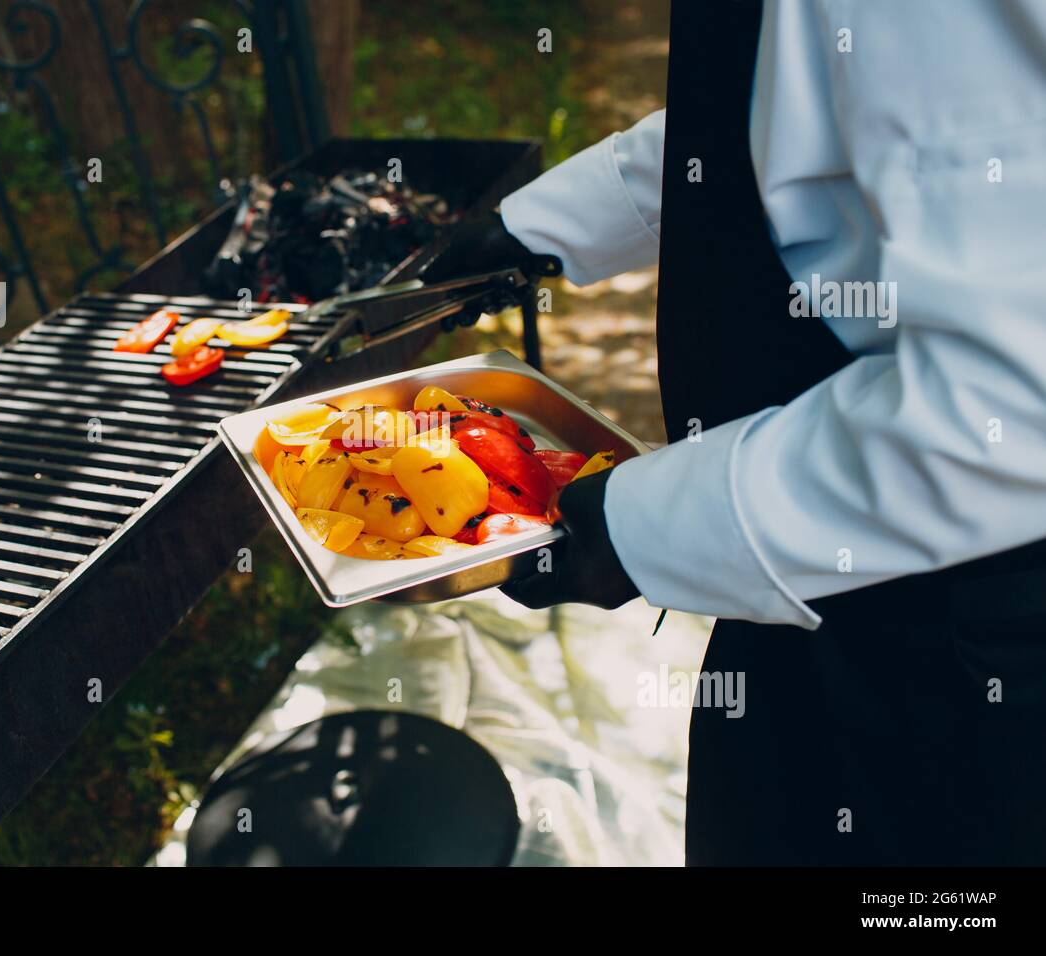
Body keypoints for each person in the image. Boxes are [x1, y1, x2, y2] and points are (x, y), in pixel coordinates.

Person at [427, 0, 1046, 865]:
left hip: (964, 646)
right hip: (813, 588)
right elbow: (795, 108)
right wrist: (544, 226)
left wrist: (642, 525)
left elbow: (1018, 401)